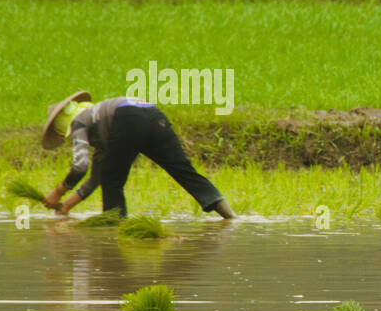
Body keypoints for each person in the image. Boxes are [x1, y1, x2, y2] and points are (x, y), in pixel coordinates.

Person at [40, 91, 235, 218]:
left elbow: (80, 166)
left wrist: (57, 192)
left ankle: (117, 227)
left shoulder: (79, 122)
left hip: (128, 118)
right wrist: (65, 208)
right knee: (181, 169)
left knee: (112, 181)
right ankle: (229, 216)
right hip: (152, 113)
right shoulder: (101, 121)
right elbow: (95, 178)